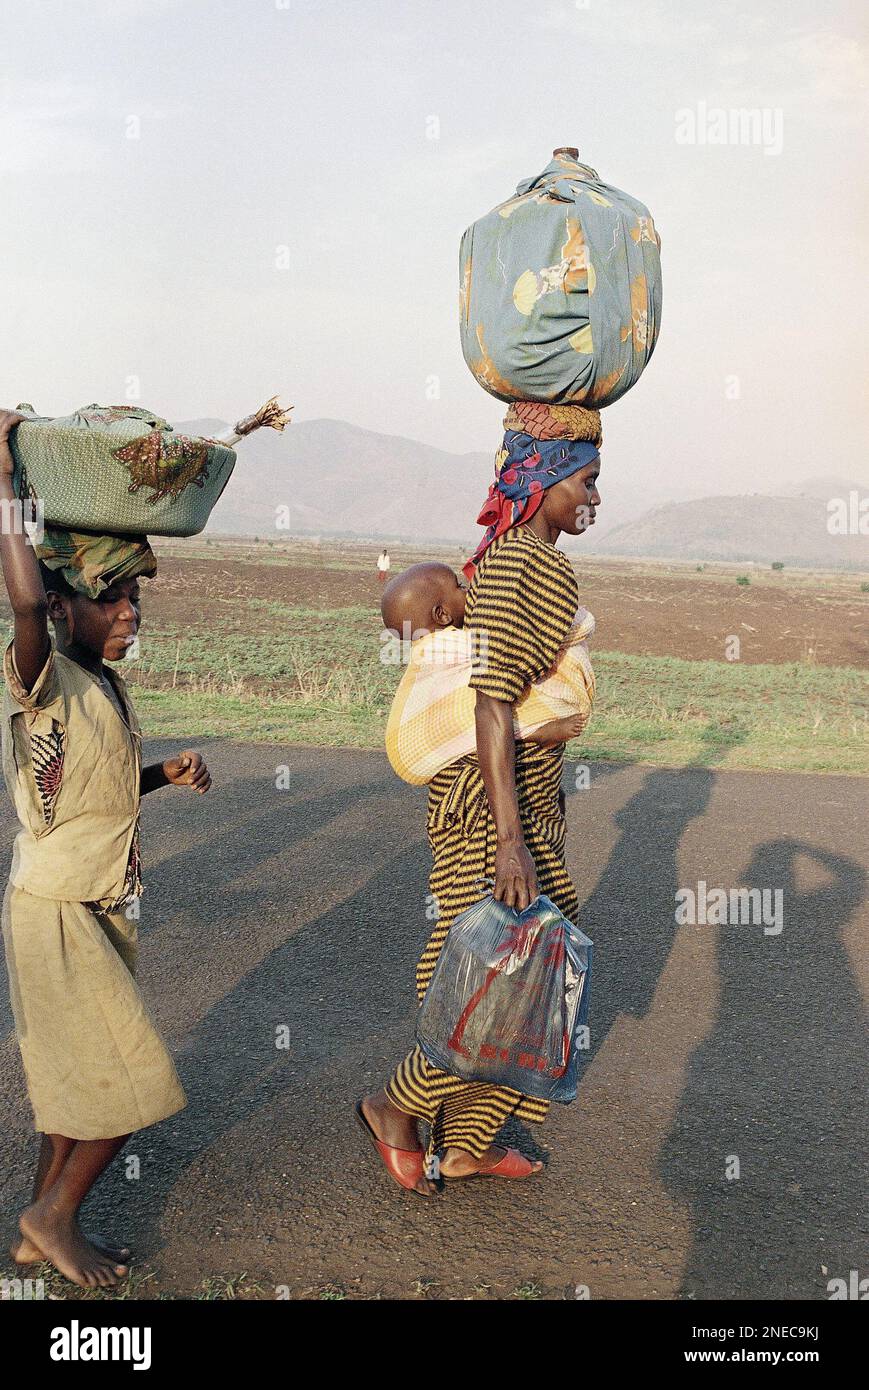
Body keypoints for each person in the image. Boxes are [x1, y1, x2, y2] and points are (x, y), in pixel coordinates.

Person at [357, 402, 602, 1195]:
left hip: (521, 809)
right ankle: (395, 1107)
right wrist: (508, 840)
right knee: (491, 971)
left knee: (522, 969)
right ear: (543, 484)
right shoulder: (518, 566)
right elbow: (492, 701)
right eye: (586, 484)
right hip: (490, 814)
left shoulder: (528, 558)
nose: (594, 499)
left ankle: (465, 1140)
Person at [0, 408, 212, 1288]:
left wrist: (162, 775)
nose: (129, 613)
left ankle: (33, 1232)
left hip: (93, 902)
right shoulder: (38, 672)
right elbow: (16, 594)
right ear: (59, 606)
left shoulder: (99, 687)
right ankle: (52, 1215)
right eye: (111, 597)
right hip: (56, 910)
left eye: (136, 598)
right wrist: (6, 484)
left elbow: (94, 797)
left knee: (77, 1083)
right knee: (132, 1083)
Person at [382, 561, 596, 785]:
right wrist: (564, 623)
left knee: (490, 701)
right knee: (493, 714)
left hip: (416, 751)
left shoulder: (436, 643)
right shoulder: (440, 645)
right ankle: (535, 733)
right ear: (442, 615)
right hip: (416, 747)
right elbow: (506, 645)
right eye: (460, 587)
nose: (469, 590)